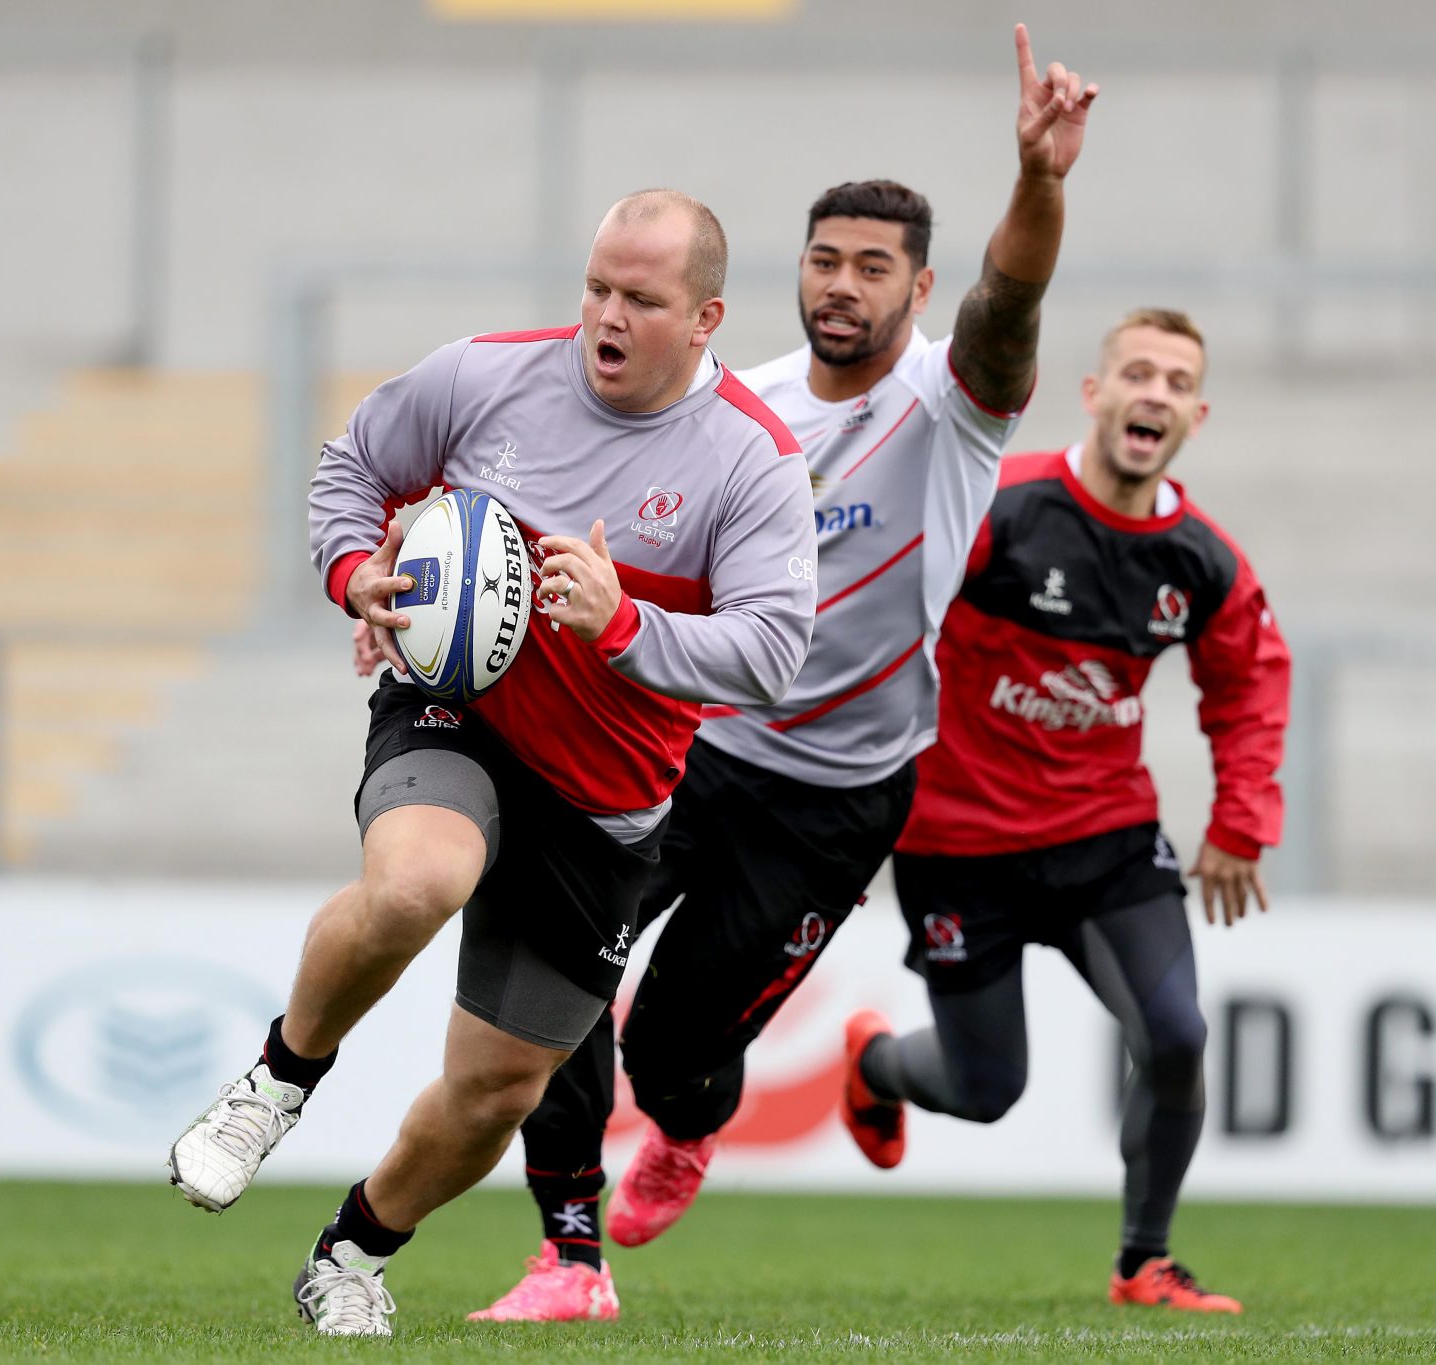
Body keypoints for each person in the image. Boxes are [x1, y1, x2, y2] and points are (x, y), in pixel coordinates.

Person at [425, 23, 1100, 1323]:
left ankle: (686, 1124)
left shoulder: (953, 406)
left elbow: (1009, 307)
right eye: (823, 259)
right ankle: (568, 1255)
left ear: (919, 286)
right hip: (689, 744)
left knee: (677, 1048)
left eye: (872, 267)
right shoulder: (742, 407)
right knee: (563, 978)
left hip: (837, 795)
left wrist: (1039, 178)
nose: (842, 286)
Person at [165, 188, 817, 1338]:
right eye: (596, 287)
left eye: (640, 299)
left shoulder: (749, 462)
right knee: (418, 882)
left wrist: (623, 624)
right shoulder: (484, 375)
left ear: (704, 318)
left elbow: (770, 652)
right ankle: (278, 1080)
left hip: (605, 802)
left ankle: (352, 1254)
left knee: (497, 1092)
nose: (605, 316)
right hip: (457, 715)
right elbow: (349, 468)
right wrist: (354, 573)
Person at [840, 308, 1288, 1316]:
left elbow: (1251, 681)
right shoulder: (1002, 508)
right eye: (1138, 372)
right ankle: (873, 1060)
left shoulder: (1200, 560)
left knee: (1175, 1035)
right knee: (985, 1090)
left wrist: (1240, 821)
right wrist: (846, 796)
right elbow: (876, 623)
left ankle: (1144, 1263)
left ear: (1195, 417)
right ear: (1094, 394)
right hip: (957, 845)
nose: (1155, 393)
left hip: (1103, 840)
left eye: (1177, 383)